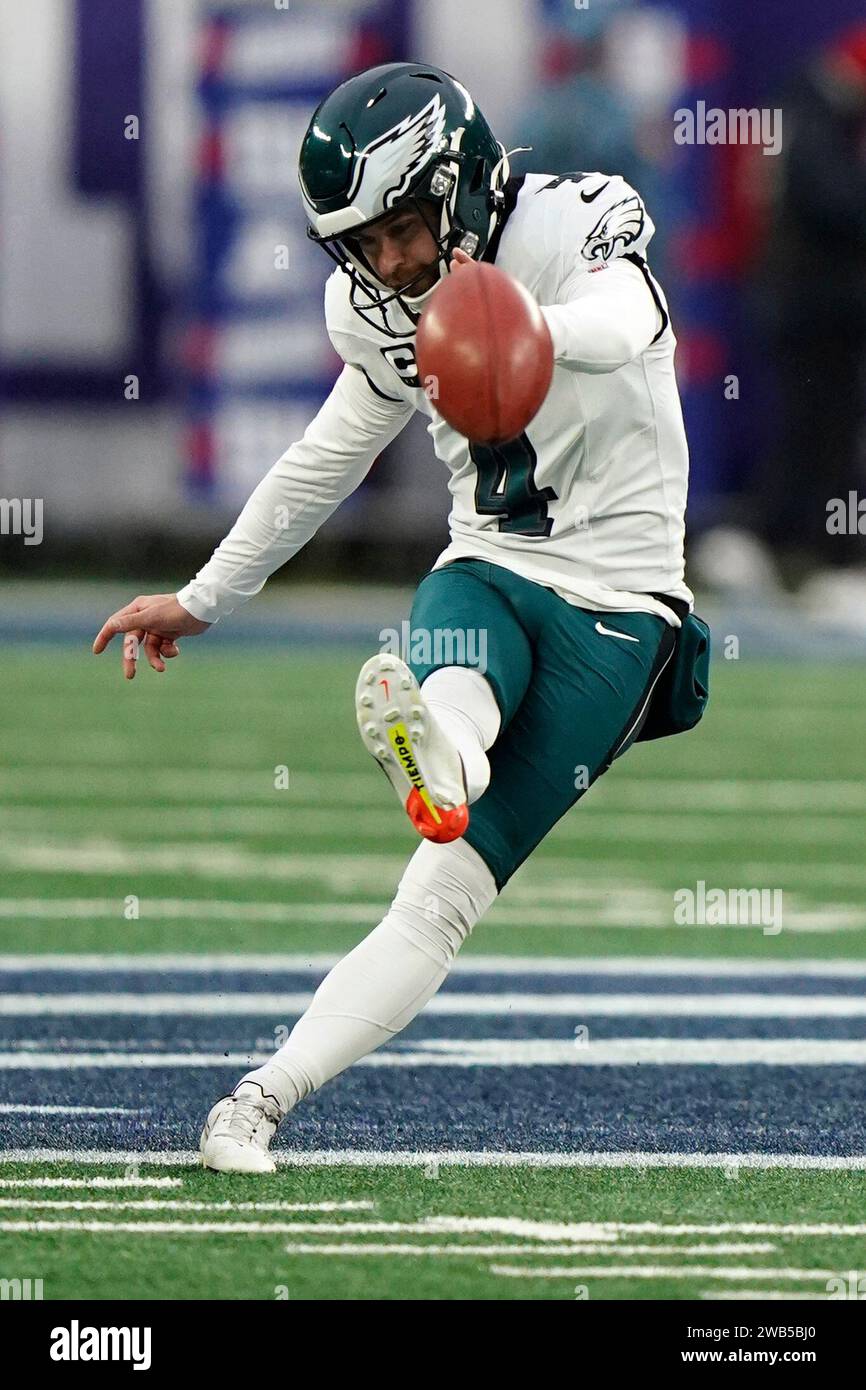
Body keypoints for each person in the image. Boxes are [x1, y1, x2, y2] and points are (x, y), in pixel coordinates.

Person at [93, 62, 694, 1173]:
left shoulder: (573, 218)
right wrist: (203, 596)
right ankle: (254, 1101)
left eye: (406, 228)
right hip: (490, 559)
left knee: (445, 897)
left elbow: (632, 316)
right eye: (364, 244)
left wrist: (519, 333)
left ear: (460, 184)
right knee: (450, 710)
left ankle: (442, 765)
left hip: (619, 603)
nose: (389, 263)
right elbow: (325, 456)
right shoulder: (373, 307)